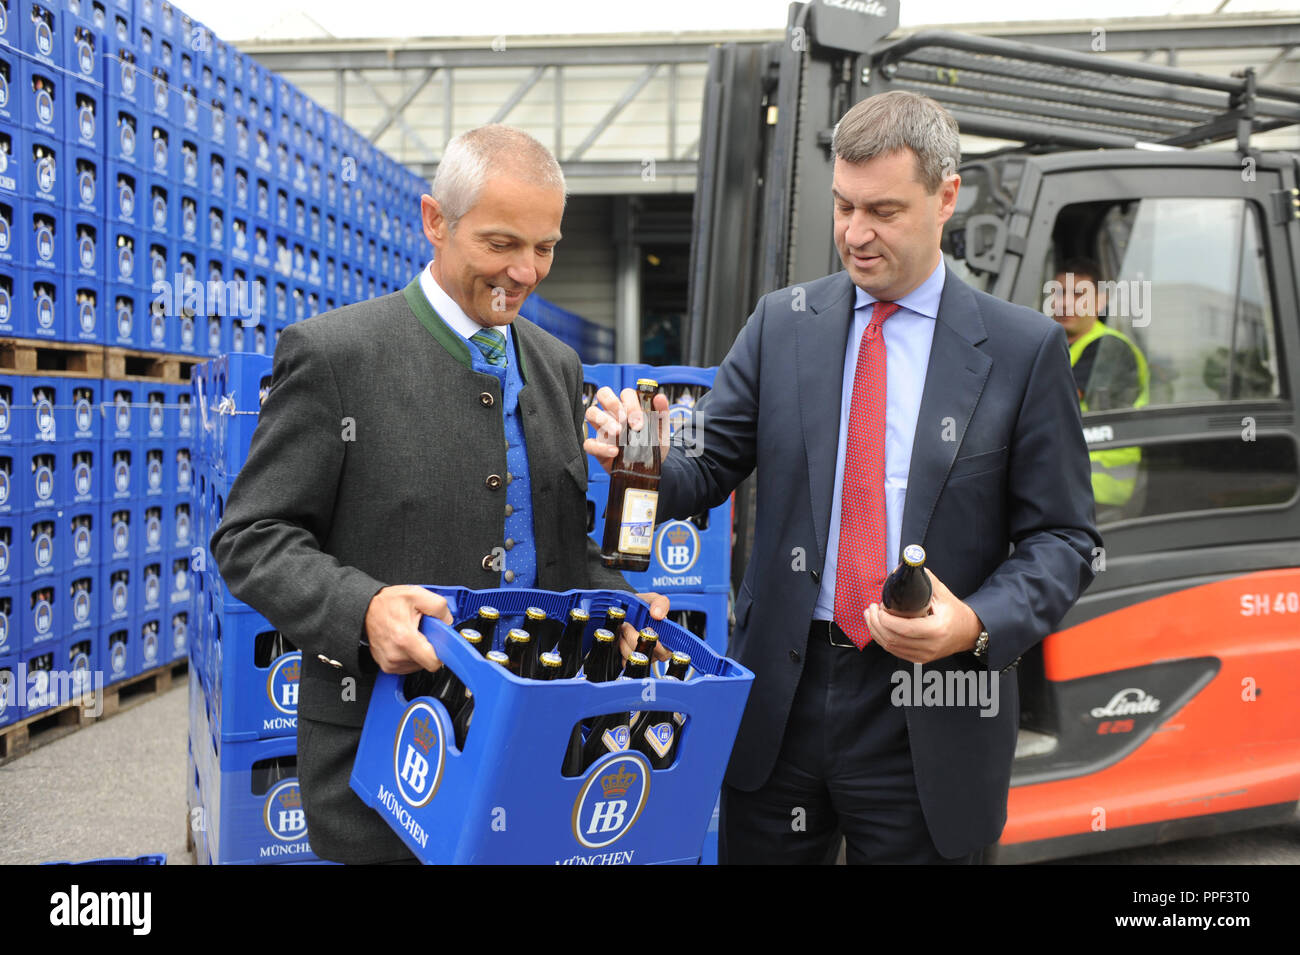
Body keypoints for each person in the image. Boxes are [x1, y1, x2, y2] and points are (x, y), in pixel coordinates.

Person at [586, 91, 1101, 864]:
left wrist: (974, 623)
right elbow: (703, 470)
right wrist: (638, 451)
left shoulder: (1022, 351)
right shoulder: (782, 323)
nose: (855, 235)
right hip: (783, 700)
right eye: (843, 206)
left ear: (946, 196)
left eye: (884, 211)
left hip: (932, 700)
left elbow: (1064, 538)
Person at [211, 124, 666, 864]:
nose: (525, 270)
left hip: (536, 750)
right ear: (434, 220)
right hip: (390, 763)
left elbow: (556, 538)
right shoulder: (335, 356)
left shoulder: (556, 366)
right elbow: (251, 537)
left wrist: (615, 595)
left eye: (544, 246)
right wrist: (362, 608)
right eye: (499, 243)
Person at [1049, 257, 1149, 515]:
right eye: (1057, 293)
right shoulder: (1060, 346)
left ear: (1100, 301)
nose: (1065, 303)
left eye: (1078, 294)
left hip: (1099, 487)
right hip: (1067, 480)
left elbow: (1055, 400)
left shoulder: (1110, 348)